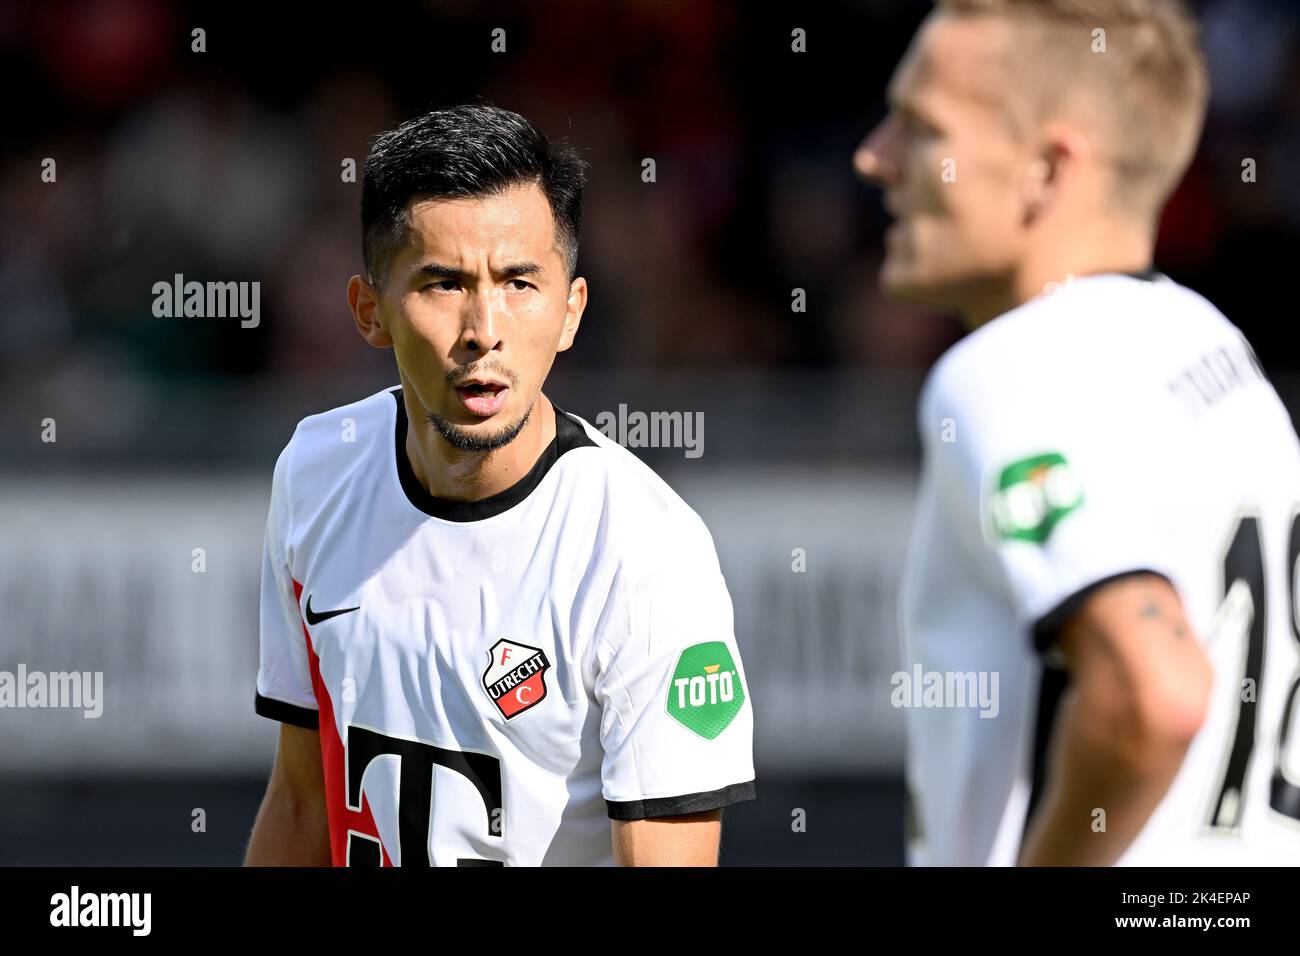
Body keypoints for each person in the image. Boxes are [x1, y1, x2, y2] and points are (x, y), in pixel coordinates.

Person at [244, 104, 755, 867]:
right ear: (369, 312)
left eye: (520, 282)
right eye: (443, 284)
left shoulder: (646, 549)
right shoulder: (317, 471)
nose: (485, 327)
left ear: (572, 310)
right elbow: (302, 798)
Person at [854, 0, 1300, 864]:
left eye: (920, 126)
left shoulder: (1013, 368)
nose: (874, 158)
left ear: (1047, 171)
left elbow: (1155, 693)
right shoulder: (1221, 360)